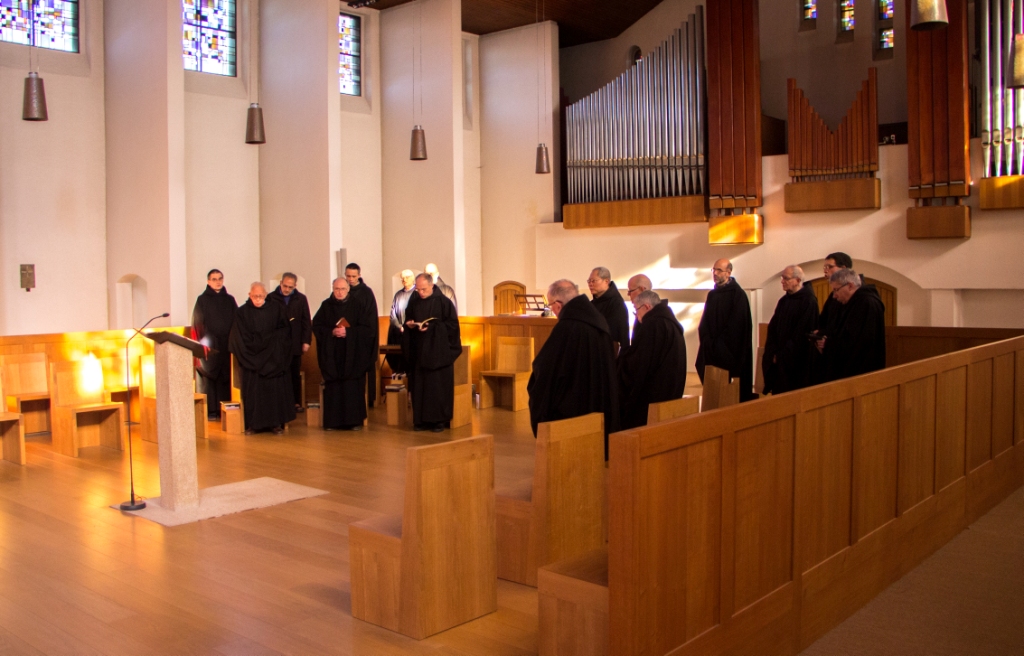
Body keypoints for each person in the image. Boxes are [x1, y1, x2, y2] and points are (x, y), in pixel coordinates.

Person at [528, 279, 619, 457]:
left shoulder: (567, 327)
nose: (552, 311)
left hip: (573, 404)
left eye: (551, 305)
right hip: (597, 398)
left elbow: (545, 368)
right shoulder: (597, 319)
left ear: (559, 304)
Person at [229, 282, 296, 435]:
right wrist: (256, 347)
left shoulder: (277, 309)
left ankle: (275, 424)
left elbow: (285, 331)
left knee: (274, 393)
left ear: (266, 295)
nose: (258, 299)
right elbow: (238, 338)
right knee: (254, 393)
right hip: (252, 362)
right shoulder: (242, 312)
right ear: (249, 295)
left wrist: (272, 344)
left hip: (273, 361)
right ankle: (253, 424)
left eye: (260, 296)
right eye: (254, 296)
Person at [312, 278, 377, 431]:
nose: (339, 292)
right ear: (332, 289)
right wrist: (332, 332)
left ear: (348, 289)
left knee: (351, 387)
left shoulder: (357, 305)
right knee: (334, 388)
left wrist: (348, 332)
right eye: (336, 289)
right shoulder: (326, 306)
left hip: (353, 356)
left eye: (342, 289)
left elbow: (367, 329)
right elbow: (317, 326)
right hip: (332, 355)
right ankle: (333, 422)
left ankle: (353, 421)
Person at [617, 290, 687, 430]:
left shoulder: (652, 325)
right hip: (669, 390)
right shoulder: (670, 322)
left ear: (647, 307)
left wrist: (621, 359)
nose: (636, 316)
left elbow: (639, 363)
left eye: (636, 311)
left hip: (652, 395)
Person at [403, 273, 462, 432]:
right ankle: (420, 421)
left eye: (423, 289)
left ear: (431, 286)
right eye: (418, 289)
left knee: (437, 388)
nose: (420, 292)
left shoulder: (444, 302)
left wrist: (434, 328)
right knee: (420, 387)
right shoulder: (414, 302)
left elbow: (452, 327)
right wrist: (409, 324)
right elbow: (408, 318)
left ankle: (439, 421)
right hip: (419, 353)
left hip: (438, 355)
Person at [695, 258, 755, 402]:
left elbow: (737, 328)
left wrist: (719, 346)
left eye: (719, 270)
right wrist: (708, 342)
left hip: (730, 353)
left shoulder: (738, 295)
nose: (715, 273)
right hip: (712, 349)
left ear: (728, 273)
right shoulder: (712, 295)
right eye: (713, 270)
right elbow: (705, 324)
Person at [819, 268, 886, 382]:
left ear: (850, 286)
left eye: (836, 290)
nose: (834, 296)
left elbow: (856, 342)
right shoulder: (855, 302)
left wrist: (828, 344)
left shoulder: (865, 303)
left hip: (860, 371)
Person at [762, 265, 819, 395]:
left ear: (798, 280)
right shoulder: (783, 301)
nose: (782, 281)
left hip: (796, 364)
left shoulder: (809, 302)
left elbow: (801, 335)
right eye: (782, 278)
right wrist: (772, 353)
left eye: (786, 278)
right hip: (779, 361)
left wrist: (782, 356)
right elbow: (773, 329)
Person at [191, 269, 237, 420]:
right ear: (208, 281)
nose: (217, 281)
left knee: (225, 377)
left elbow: (237, 322)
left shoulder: (229, 300)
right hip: (209, 346)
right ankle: (210, 411)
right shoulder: (202, 300)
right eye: (214, 279)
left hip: (225, 345)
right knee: (209, 379)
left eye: (220, 278)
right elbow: (197, 323)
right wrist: (203, 345)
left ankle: (224, 408)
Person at [267, 272, 312, 413]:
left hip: (294, 342)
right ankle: (280, 401)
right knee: (280, 373)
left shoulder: (300, 299)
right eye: (285, 286)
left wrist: (306, 341)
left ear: (295, 286)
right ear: (280, 283)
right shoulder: (271, 298)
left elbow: (306, 321)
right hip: (277, 344)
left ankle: (295, 402)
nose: (286, 289)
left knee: (294, 372)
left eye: (290, 287)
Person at [345, 263, 380, 408]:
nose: (350, 279)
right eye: (348, 276)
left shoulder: (366, 293)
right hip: (345, 339)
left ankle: (368, 398)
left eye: (353, 276)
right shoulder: (342, 290)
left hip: (362, 340)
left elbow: (370, 319)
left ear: (359, 275)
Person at [588, 266, 629, 349]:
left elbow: (615, 336)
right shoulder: (591, 304)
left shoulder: (616, 303)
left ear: (606, 281)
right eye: (589, 281)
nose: (590, 284)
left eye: (594, 281)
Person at [386, 269, 416, 375]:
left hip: (413, 333)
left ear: (413, 278)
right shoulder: (398, 295)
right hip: (399, 334)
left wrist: (408, 326)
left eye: (407, 277)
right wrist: (399, 326)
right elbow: (393, 315)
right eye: (402, 278)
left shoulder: (416, 294)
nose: (404, 280)